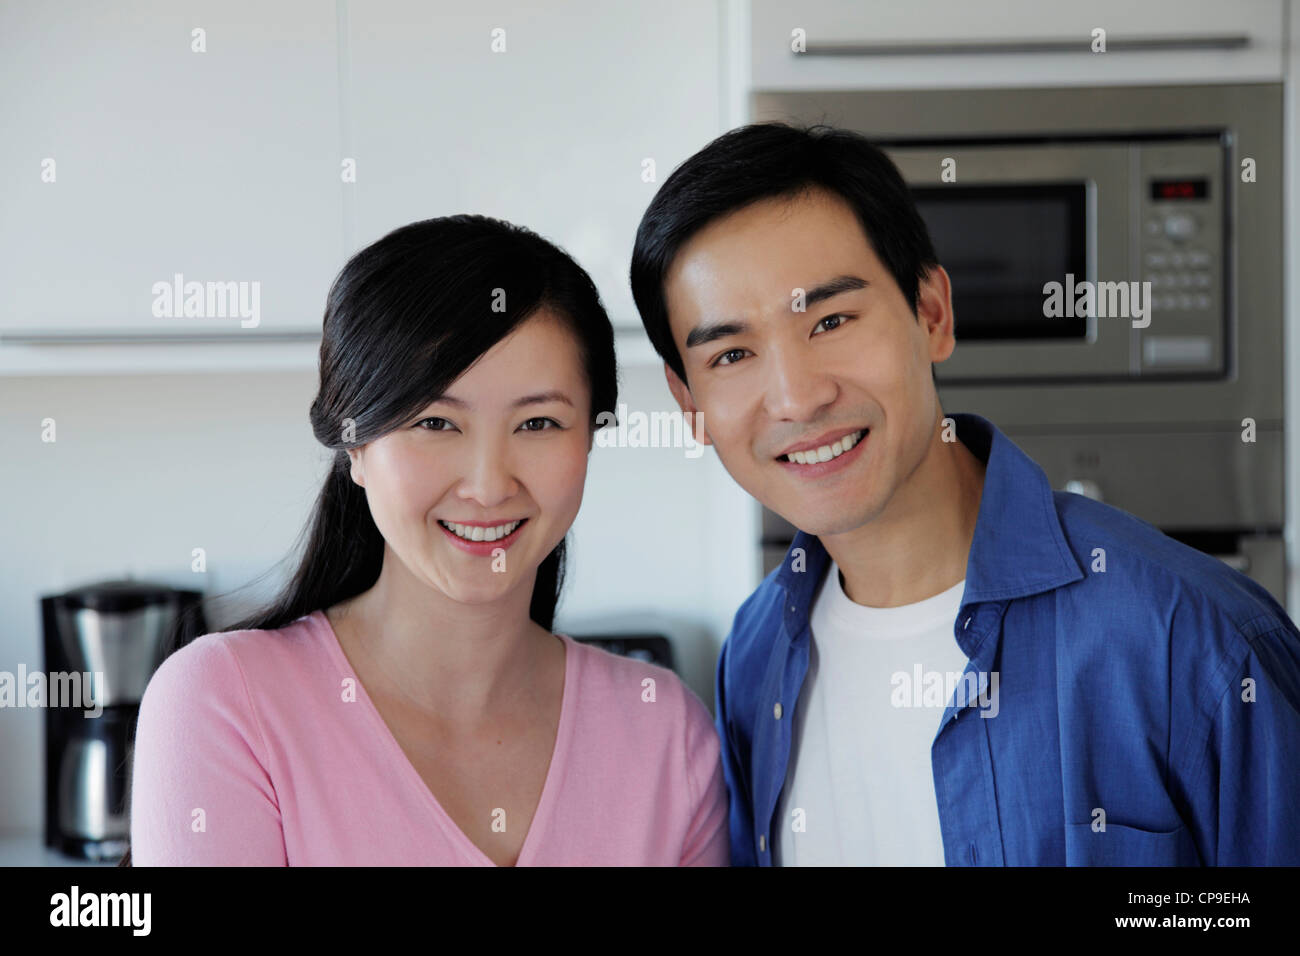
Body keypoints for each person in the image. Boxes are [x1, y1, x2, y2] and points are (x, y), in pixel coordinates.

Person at [629, 121, 1300, 866]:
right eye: (731, 354)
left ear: (932, 314)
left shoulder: (1194, 641)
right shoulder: (752, 659)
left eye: (832, 320)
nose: (796, 397)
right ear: (689, 403)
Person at [127, 215, 729, 866]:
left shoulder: (665, 733)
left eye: (538, 422)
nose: (489, 484)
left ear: (589, 436)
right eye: (437, 422)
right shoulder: (223, 702)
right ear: (355, 446)